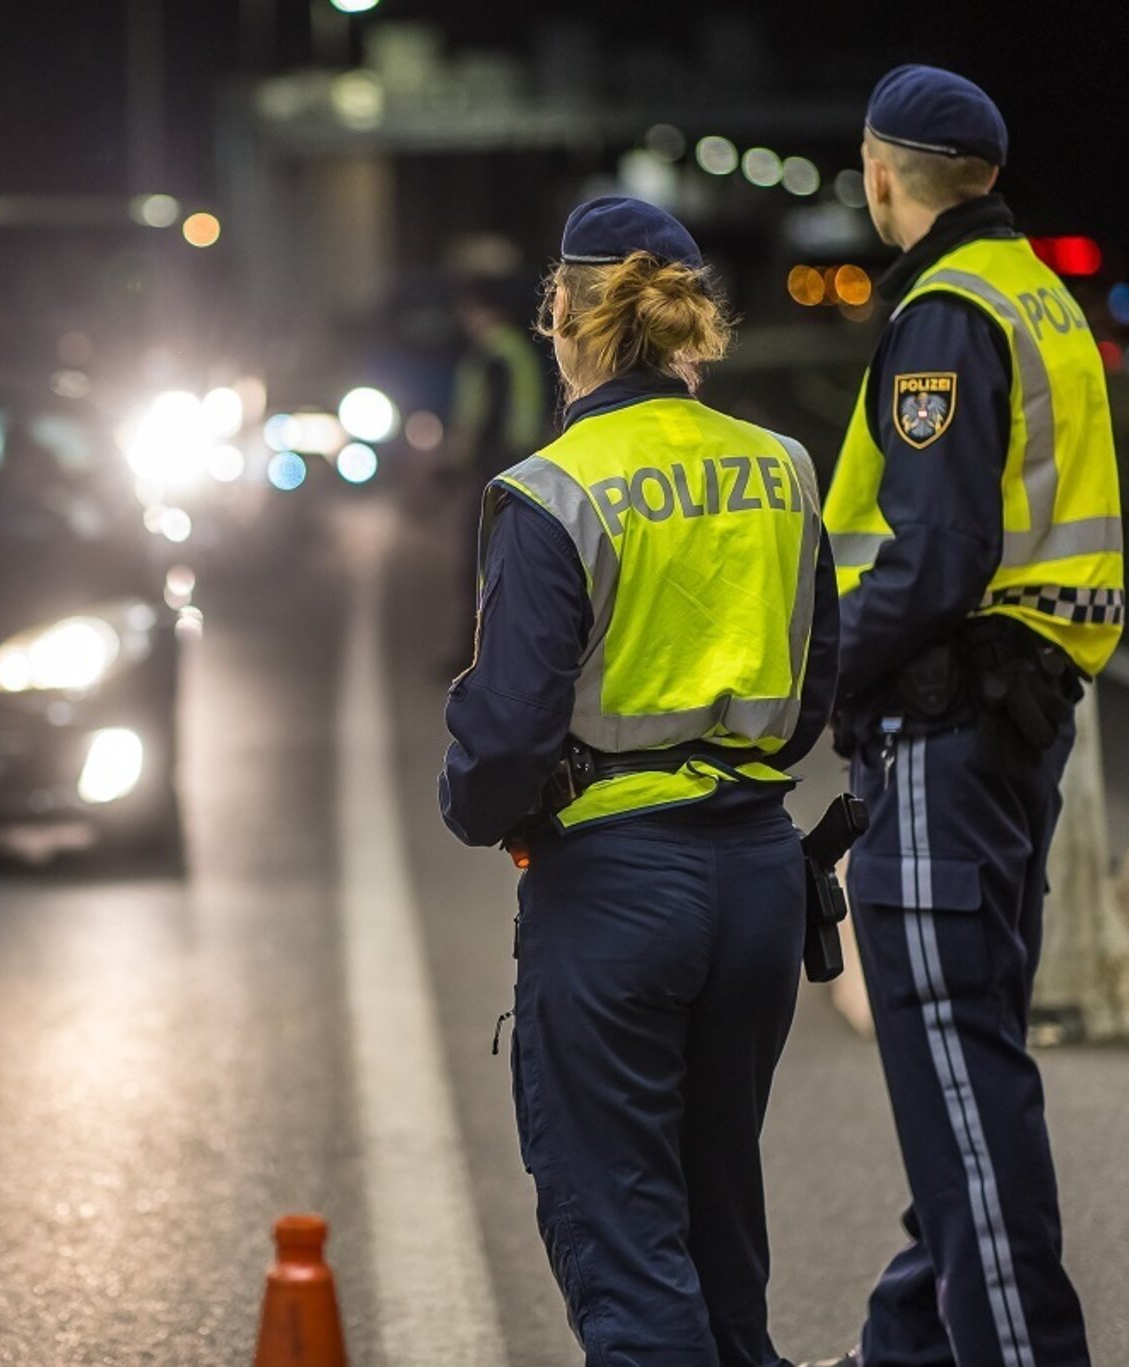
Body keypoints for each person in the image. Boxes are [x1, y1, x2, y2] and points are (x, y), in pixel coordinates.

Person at [440, 196, 839, 1366]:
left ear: (561, 314)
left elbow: (507, 732)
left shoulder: (551, 488)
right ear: (685, 319)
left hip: (615, 890)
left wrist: (474, 804)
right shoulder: (782, 467)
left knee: (624, 1244)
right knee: (718, 1228)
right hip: (759, 883)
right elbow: (816, 685)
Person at [805, 65, 1123, 1367]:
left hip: (947, 731)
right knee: (966, 1068)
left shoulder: (944, 314)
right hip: (1021, 725)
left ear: (885, 174)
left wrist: (812, 690)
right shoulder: (1040, 296)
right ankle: (905, 1346)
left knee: (960, 1081)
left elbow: (931, 558)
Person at [443, 281, 550, 667]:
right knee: (507, 563)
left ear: (481, 311)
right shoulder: (517, 353)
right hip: (519, 467)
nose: (464, 322)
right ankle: (497, 655)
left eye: (467, 314)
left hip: (494, 469)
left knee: (480, 564)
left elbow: (481, 420)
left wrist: (456, 466)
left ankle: (477, 657)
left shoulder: (493, 357)